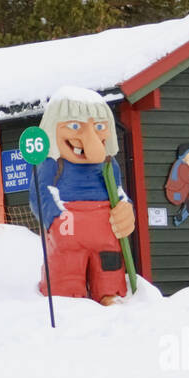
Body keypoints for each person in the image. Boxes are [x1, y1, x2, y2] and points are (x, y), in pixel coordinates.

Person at [27, 87, 135, 305]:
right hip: (69, 231)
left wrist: (125, 209)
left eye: (99, 127)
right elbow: (39, 193)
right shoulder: (51, 163)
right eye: (75, 126)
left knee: (109, 269)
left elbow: (118, 191)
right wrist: (55, 218)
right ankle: (68, 303)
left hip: (105, 232)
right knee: (66, 275)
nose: (89, 137)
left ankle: (109, 295)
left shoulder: (108, 164)